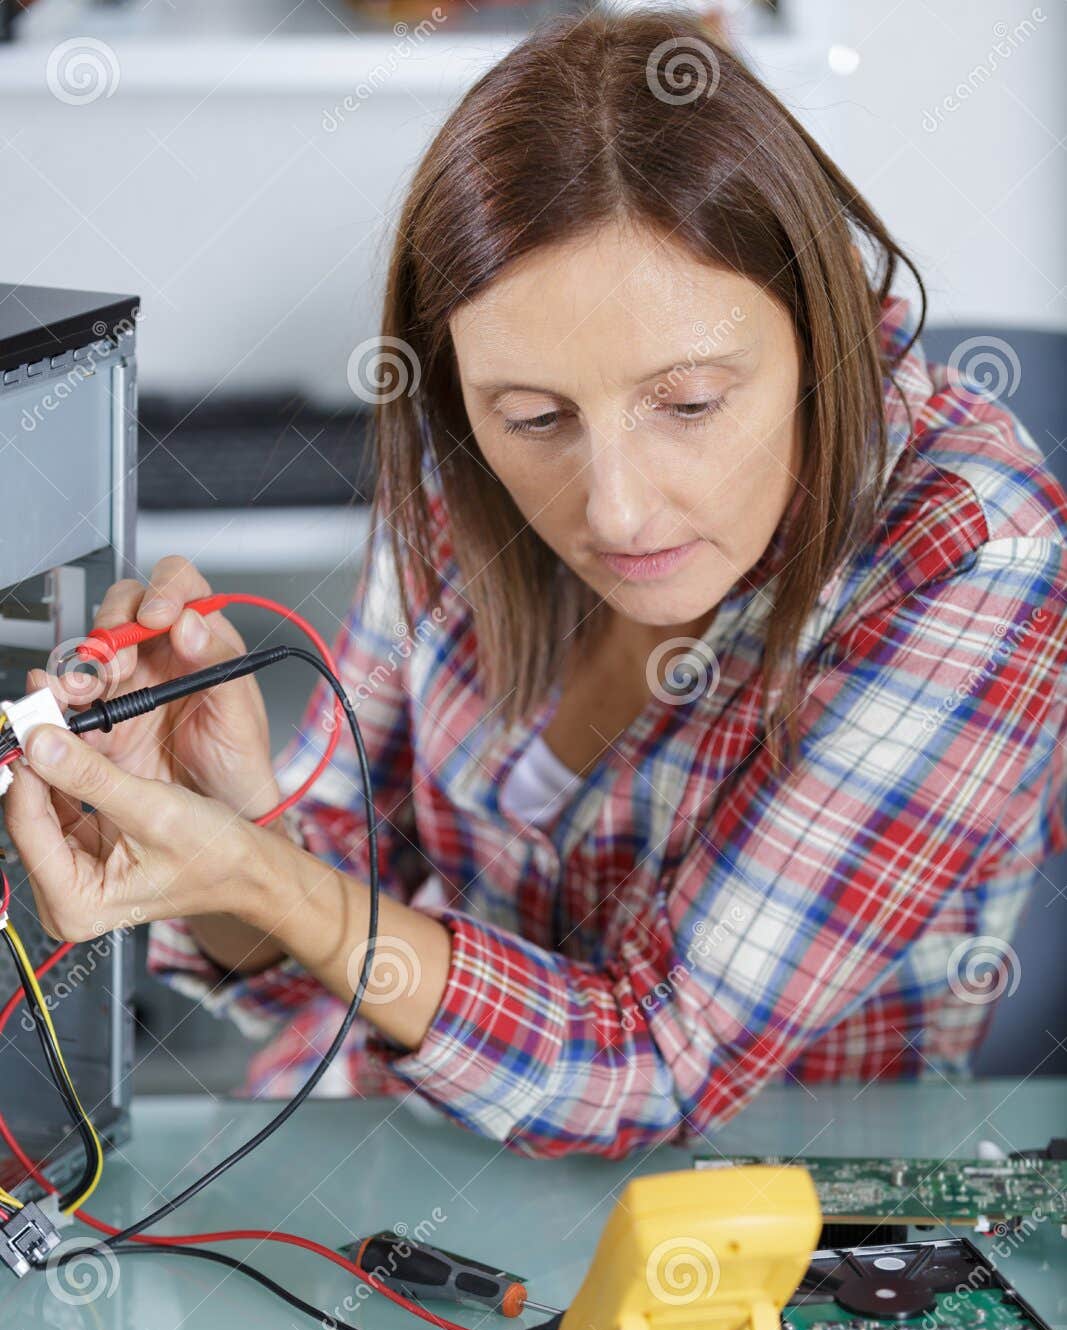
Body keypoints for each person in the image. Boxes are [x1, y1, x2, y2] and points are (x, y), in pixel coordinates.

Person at [5, 9, 1066, 1159]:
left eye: (691, 404)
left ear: (823, 334)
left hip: (766, 1208)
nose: (611, 509)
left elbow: (657, 1062)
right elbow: (311, 941)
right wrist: (225, 822)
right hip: (402, 1158)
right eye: (533, 419)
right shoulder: (448, 456)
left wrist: (270, 882)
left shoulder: (973, 551)